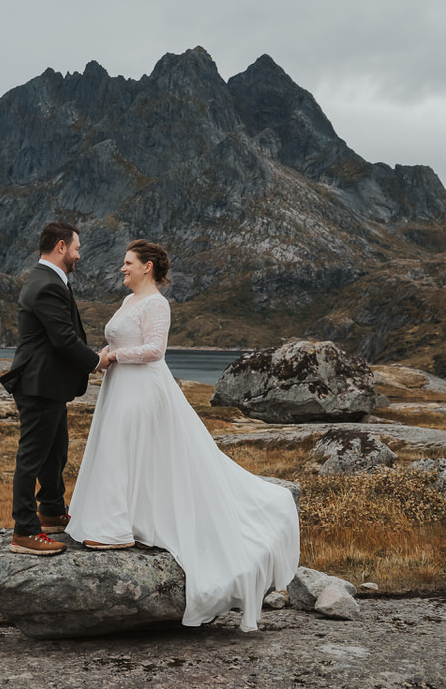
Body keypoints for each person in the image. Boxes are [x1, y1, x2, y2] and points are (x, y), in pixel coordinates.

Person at [67, 240, 300, 631]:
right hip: (120, 386)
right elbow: (124, 340)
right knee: (117, 450)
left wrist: (112, 357)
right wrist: (103, 356)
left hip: (143, 388)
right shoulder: (128, 303)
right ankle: (119, 522)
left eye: (128, 263)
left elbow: (154, 351)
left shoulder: (157, 303)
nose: (121, 268)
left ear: (148, 266)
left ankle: (124, 527)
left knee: (130, 449)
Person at [0, 222, 103, 555]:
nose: (79, 254)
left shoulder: (48, 280)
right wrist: (96, 361)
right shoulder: (45, 284)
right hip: (38, 385)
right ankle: (25, 531)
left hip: (48, 385)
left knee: (54, 452)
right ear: (61, 246)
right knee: (31, 458)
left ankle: (52, 511)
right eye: (76, 247)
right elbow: (63, 338)